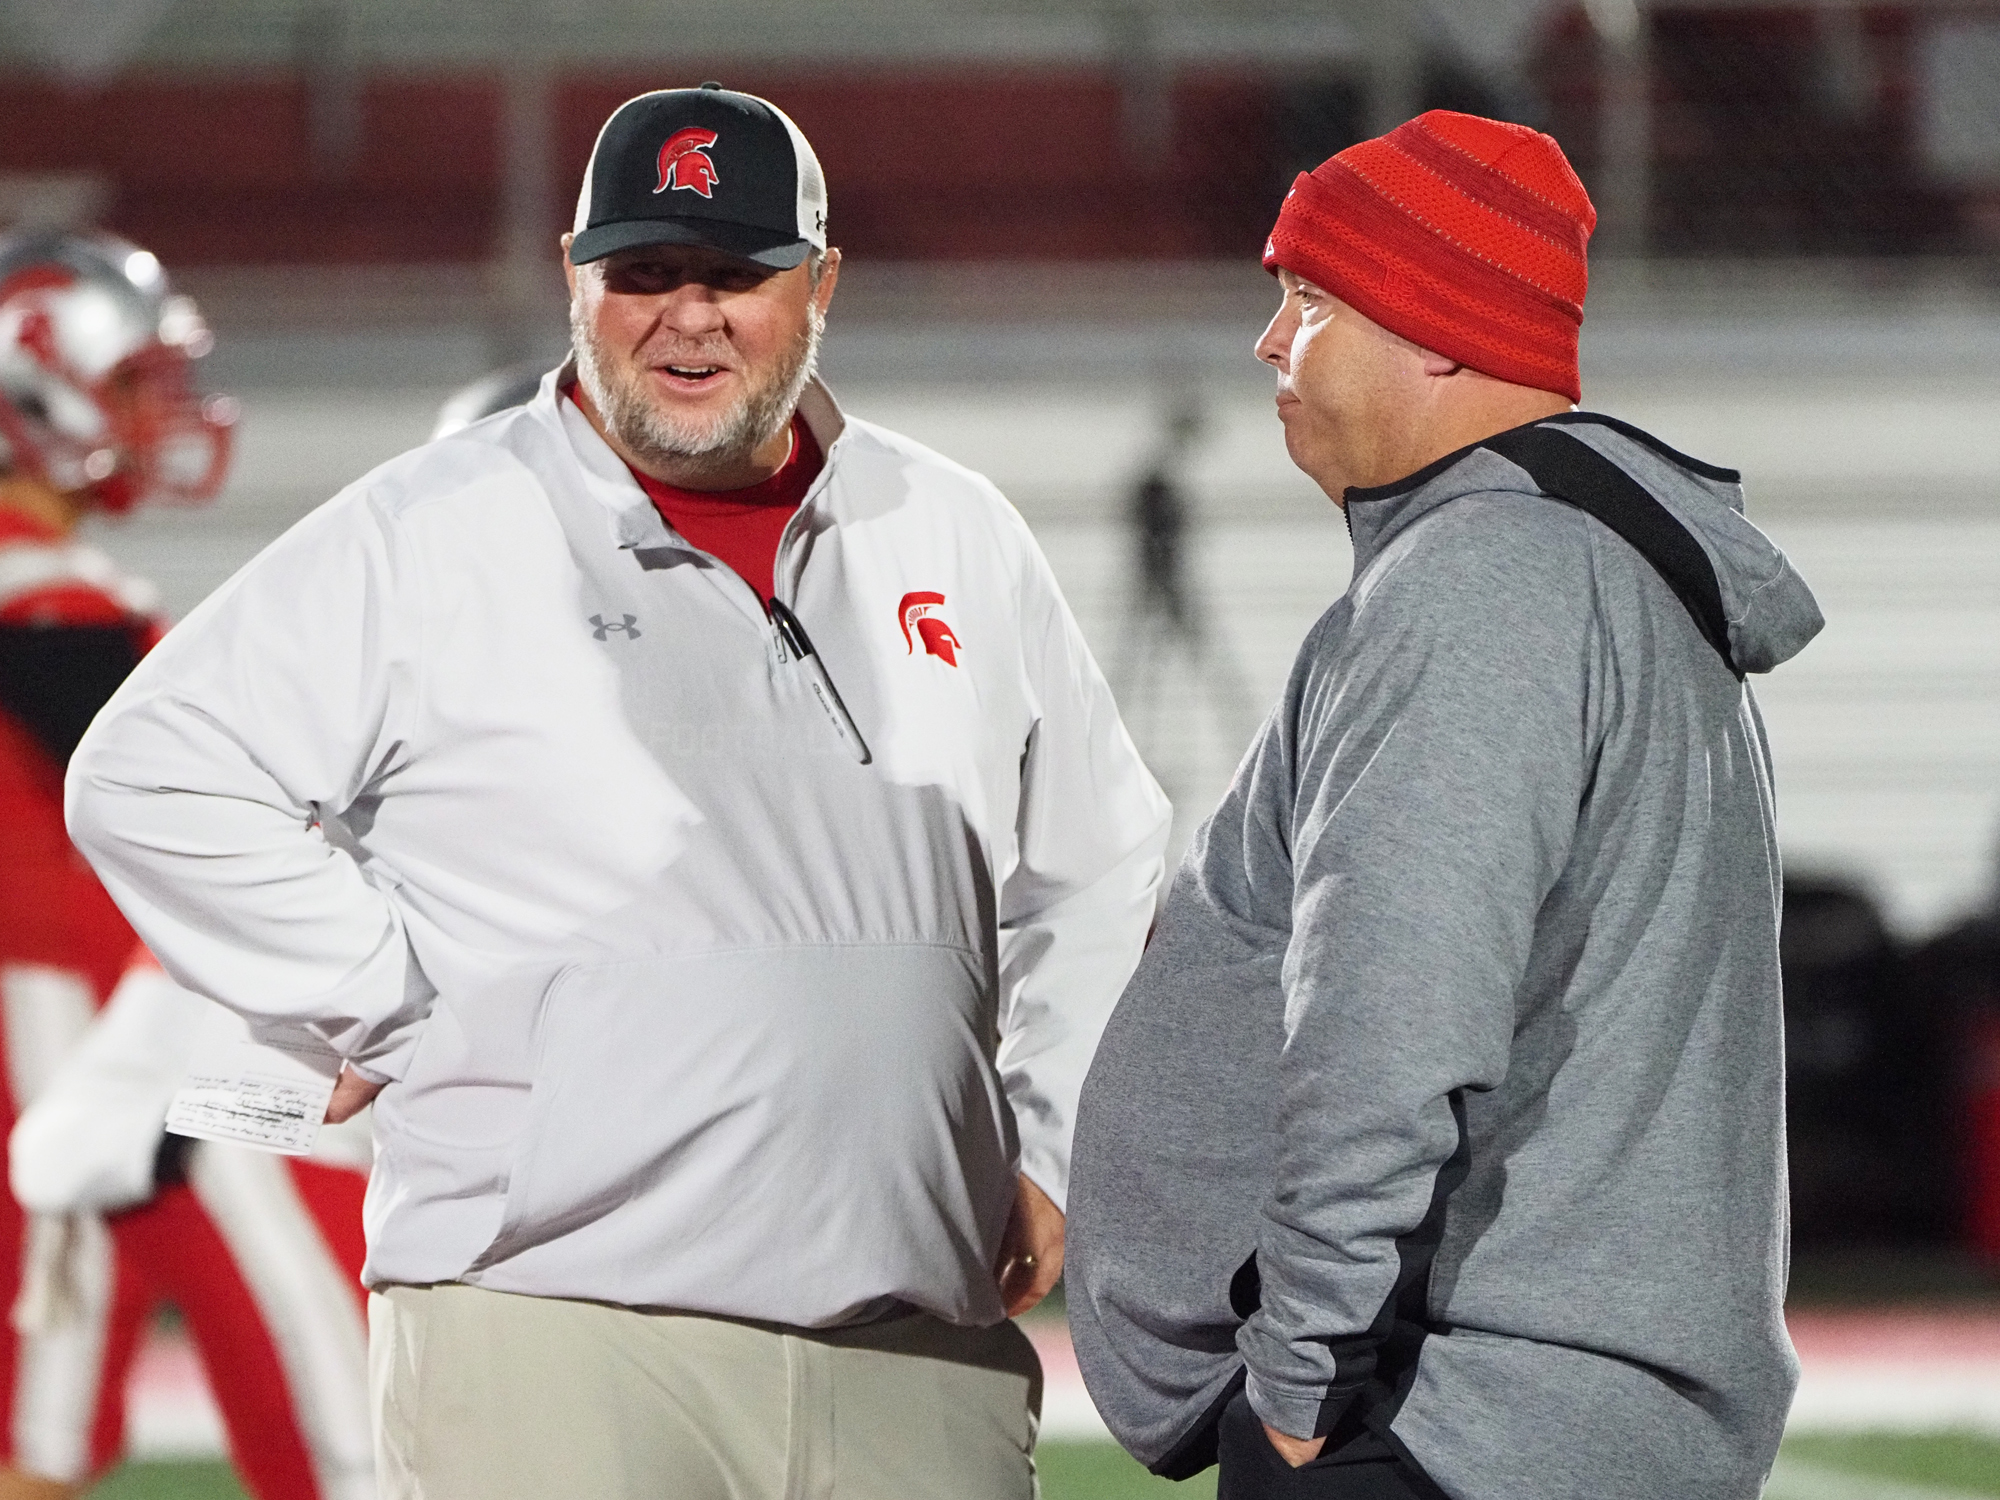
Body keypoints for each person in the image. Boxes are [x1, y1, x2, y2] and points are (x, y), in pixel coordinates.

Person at [65, 84, 1169, 1500]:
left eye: (735, 276)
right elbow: (149, 773)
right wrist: (394, 1000)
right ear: (577, 280)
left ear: (821, 283)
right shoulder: (433, 528)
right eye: (643, 272)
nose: (686, 315)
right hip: (550, 1331)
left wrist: (1059, 1138)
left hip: (913, 1346)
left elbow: (1102, 849)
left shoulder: (949, 525)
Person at [1065, 111, 1824, 1500]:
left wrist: (1297, 1396)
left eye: (1306, 301)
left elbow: (1392, 1024)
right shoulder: (1574, 572)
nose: (1268, 344)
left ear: (1432, 331)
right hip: (1518, 1417)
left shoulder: (1483, 584)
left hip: (1450, 1421)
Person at [0, 229, 373, 1500]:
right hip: (57, 1047)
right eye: (129, 383)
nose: (160, 415)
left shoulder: (68, 585)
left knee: (59, 1415)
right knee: (40, 1418)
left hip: (119, 1053)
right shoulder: (39, 593)